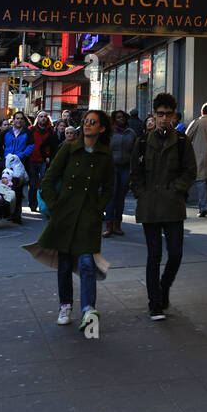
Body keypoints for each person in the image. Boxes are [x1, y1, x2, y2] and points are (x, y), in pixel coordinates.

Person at [23, 110, 115, 334]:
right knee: (64, 263)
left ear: (101, 128)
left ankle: (88, 310)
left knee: (86, 263)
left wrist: (98, 208)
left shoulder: (105, 155)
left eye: (93, 122)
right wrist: (54, 207)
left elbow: (109, 187)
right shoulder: (69, 147)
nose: (87, 125)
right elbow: (48, 179)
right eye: (85, 121)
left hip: (88, 216)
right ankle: (65, 306)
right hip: (64, 214)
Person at [130, 93, 196, 319]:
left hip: (172, 205)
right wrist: (141, 193)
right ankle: (155, 303)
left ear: (174, 116)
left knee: (176, 254)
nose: (164, 118)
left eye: (168, 114)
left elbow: (190, 171)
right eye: (160, 114)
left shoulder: (182, 142)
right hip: (150, 206)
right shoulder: (141, 142)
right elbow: (135, 174)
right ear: (154, 115)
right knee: (154, 256)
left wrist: (176, 188)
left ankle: (163, 287)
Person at [104, 110, 134, 236]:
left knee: (121, 197)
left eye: (123, 117)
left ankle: (118, 224)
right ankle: (109, 225)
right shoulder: (109, 133)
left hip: (126, 168)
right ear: (114, 119)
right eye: (118, 117)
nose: (121, 119)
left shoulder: (131, 133)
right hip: (111, 168)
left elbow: (135, 151)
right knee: (111, 196)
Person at [27, 111, 59, 214]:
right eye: (41, 116)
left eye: (45, 116)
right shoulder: (30, 130)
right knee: (33, 183)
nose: (43, 118)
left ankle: (43, 204)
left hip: (45, 160)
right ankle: (32, 204)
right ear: (37, 118)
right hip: (32, 159)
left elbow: (54, 147)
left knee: (43, 183)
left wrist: (49, 156)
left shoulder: (52, 131)